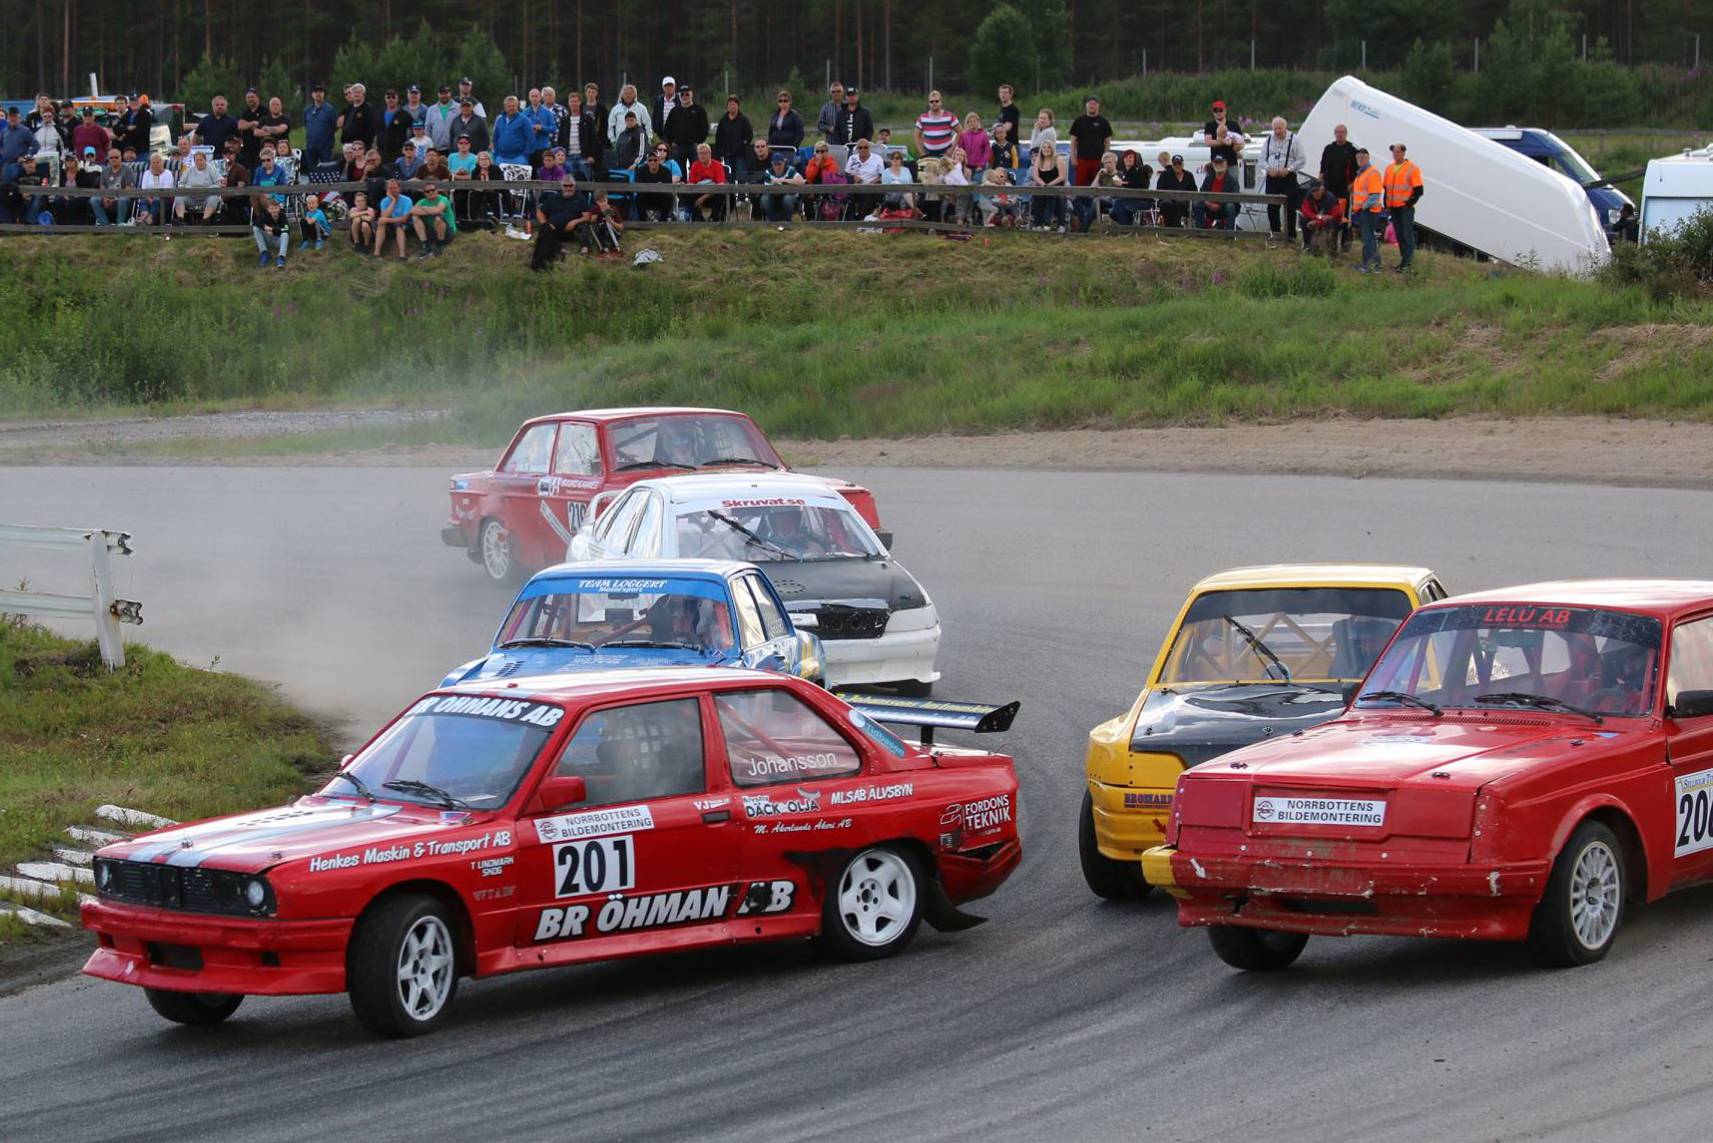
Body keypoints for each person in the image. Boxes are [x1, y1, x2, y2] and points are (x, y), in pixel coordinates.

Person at [531, 177, 595, 269]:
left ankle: (584, 251)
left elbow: (587, 216)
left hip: (572, 230)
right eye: (565, 185)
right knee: (545, 229)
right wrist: (545, 223)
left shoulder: (580, 199)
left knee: (586, 225)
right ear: (562, 187)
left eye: (570, 185)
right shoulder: (553, 198)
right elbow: (539, 211)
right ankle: (542, 262)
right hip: (555, 230)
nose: (568, 188)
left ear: (574, 186)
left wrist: (574, 221)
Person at [1259, 116, 1306, 240]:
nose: (1277, 131)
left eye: (1280, 128)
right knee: (1272, 206)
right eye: (1275, 129)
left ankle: (1291, 234)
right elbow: (1261, 159)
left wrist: (1289, 169)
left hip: (1288, 177)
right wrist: (1269, 169)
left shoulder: (1294, 140)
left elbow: (1301, 160)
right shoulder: (1268, 140)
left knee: (1291, 206)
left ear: (1285, 127)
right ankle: (1275, 232)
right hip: (1272, 177)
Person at [1383, 142, 1424, 271]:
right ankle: (1404, 261)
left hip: (1404, 208)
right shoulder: (1389, 168)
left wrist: (1409, 203)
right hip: (1393, 207)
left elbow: (1419, 190)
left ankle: (1408, 263)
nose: (1395, 154)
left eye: (1397, 152)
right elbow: (1386, 188)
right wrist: (1386, 204)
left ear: (1403, 152)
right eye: (1393, 152)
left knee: (1407, 235)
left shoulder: (1412, 168)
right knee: (1399, 235)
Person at [1318, 123, 1359, 252]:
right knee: (1329, 215)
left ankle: (1345, 244)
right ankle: (1330, 243)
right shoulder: (1329, 149)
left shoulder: (1352, 150)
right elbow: (1323, 168)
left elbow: (1358, 171)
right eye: (1337, 132)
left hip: (1344, 189)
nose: (1339, 134)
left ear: (1346, 134)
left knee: (1343, 217)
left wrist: (1353, 184)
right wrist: (1320, 184)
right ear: (1334, 134)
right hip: (1329, 188)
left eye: (1342, 132)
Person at [1349, 146, 1385, 273]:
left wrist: (1364, 207)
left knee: (1368, 238)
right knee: (1368, 238)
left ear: (1368, 158)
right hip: (1363, 211)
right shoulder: (1361, 173)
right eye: (1358, 157)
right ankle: (1371, 264)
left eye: (1363, 157)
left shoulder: (1372, 172)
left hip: (1369, 211)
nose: (1360, 159)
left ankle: (1371, 266)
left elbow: (1375, 194)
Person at [1067, 95, 1112, 187]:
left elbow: (1107, 141)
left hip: (1098, 161)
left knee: (1098, 186)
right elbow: (1073, 141)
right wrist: (1073, 157)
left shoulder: (1103, 122)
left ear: (1098, 106)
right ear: (1086, 106)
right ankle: (1079, 201)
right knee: (1080, 187)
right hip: (1082, 160)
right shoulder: (1079, 121)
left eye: (1094, 104)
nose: (1092, 106)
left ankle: (1096, 202)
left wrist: (1106, 158)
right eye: (1090, 104)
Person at [666, 86, 712, 170]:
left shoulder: (699, 110)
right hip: (678, 146)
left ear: (691, 95)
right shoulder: (674, 111)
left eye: (687, 94)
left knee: (696, 169)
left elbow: (705, 128)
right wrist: (671, 142)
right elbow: (668, 128)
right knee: (679, 171)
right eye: (682, 94)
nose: (684, 96)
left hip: (694, 146)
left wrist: (699, 142)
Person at [1028, 129, 1066, 229]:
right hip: (1042, 186)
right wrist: (1043, 184)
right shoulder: (1038, 160)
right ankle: (1037, 224)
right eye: (1044, 147)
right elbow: (1036, 176)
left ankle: (1047, 223)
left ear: (1053, 148)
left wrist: (1050, 185)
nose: (1046, 149)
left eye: (1049, 147)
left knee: (1051, 195)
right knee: (1037, 196)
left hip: (1056, 186)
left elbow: (1062, 176)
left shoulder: (1058, 159)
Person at [409, 180, 456, 257]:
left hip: (448, 232)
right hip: (432, 231)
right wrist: (432, 210)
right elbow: (412, 211)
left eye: (433, 190)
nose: (431, 192)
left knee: (438, 218)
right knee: (415, 218)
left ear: (437, 191)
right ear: (424, 194)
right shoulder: (422, 201)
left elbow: (438, 210)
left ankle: (441, 245)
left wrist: (423, 208)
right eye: (427, 191)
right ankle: (425, 245)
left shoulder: (443, 199)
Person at [172, 149, 219, 224]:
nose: (199, 162)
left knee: (214, 198)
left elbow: (218, 183)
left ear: (205, 160)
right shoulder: (189, 170)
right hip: (191, 197)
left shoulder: (211, 169)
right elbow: (180, 184)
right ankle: (180, 219)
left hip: (206, 197)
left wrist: (207, 189)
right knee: (178, 197)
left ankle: (205, 220)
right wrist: (188, 188)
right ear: (194, 161)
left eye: (201, 160)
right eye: (197, 160)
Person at [1193, 155, 1239, 230]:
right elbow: (1202, 192)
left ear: (1226, 164)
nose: (1218, 164)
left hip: (1224, 208)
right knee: (1197, 204)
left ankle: (1230, 234)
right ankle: (1201, 231)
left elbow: (1234, 197)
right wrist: (1208, 203)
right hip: (1209, 206)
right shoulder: (1209, 178)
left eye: (1221, 162)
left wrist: (1220, 205)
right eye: (1216, 162)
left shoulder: (1233, 180)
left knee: (1230, 207)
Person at [1299, 179, 1343, 254]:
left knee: (1331, 222)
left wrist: (1318, 222)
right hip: (1317, 218)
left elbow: (1335, 214)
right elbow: (1305, 209)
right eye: (1313, 191)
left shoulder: (1330, 198)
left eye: (1317, 190)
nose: (1315, 193)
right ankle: (1308, 245)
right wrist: (1315, 217)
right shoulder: (1309, 196)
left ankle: (1330, 250)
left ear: (1322, 188)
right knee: (1303, 220)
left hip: (1330, 220)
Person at [632, 148, 677, 221]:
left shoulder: (666, 171)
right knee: (638, 197)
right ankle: (643, 222)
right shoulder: (641, 170)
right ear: (647, 161)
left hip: (661, 197)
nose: (653, 162)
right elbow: (638, 187)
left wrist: (661, 187)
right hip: (646, 196)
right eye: (650, 160)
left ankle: (663, 221)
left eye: (655, 160)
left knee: (670, 197)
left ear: (659, 161)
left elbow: (669, 188)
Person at [374, 177, 414, 258]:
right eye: (390, 188)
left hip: (403, 223)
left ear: (399, 189)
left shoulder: (407, 200)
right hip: (390, 223)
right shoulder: (384, 201)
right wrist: (393, 201)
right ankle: (376, 252)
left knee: (399, 226)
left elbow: (404, 219)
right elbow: (383, 217)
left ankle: (402, 254)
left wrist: (387, 220)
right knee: (381, 224)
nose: (393, 190)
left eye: (395, 188)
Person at [1110, 150, 1152, 225]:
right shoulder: (1126, 173)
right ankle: (1130, 226)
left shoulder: (1138, 170)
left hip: (1142, 201)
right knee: (1113, 212)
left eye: (1130, 157)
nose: (1127, 159)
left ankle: (1126, 229)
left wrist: (1123, 184)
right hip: (1130, 200)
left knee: (1118, 204)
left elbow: (1139, 184)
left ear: (1135, 159)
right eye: (1125, 157)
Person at [93, 146, 133, 225]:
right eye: (111, 158)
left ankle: (119, 224)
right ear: (108, 159)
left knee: (123, 200)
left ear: (121, 158)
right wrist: (105, 198)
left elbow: (129, 189)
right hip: (107, 197)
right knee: (94, 199)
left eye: (116, 157)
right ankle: (105, 225)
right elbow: (102, 187)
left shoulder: (128, 170)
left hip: (122, 197)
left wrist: (115, 199)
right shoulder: (105, 171)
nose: (114, 159)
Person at [714, 95, 753, 176]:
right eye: (730, 104)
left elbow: (749, 135)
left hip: (740, 154)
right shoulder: (723, 120)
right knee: (729, 175)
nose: (732, 106)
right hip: (727, 154)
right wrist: (720, 151)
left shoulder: (744, 120)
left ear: (738, 106)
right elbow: (718, 137)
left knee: (741, 176)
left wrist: (743, 144)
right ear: (727, 107)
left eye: (734, 104)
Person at [914, 91, 958, 162]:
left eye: (937, 101)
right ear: (929, 103)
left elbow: (961, 132)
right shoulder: (922, 118)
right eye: (931, 101)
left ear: (941, 102)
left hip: (945, 155)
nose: (934, 103)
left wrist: (951, 149)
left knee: (946, 173)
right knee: (928, 173)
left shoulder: (950, 116)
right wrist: (922, 153)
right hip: (929, 154)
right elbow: (916, 136)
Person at [688, 142, 727, 221]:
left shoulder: (718, 165)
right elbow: (691, 184)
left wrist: (704, 197)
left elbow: (720, 186)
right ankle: (698, 218)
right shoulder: (694, 165)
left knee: (722, 194)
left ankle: (714, 217)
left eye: (704, 153)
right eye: (700, 153)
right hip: (698, 192)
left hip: (713, 194)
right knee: (687, 194)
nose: (702, 156)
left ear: (710, 154)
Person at [491, 96, 532, 168]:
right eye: (509, 106)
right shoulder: (500, 120)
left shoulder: (524, 119)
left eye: (513, 106)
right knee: (500, 179)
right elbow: (495, 138)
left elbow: (530, 138)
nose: (511, 108)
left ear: (517, 106)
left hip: (519, 158)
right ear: (505, 107)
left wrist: (525, 155)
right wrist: (496, 155)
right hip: (501, 158)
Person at [1203, 99, 1245, 169]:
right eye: (1216, 110)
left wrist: (1235, 143)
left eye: (1220, 110)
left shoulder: (1233, 124)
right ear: (1213, 112)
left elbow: (1241, 141)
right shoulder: (1209, 125)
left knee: (1233, 179)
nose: (1218, 112)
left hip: (1232, 163)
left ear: (1225, 111)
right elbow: (1208, 142)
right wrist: (1224, 142)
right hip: (1217, 163)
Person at [1156, 153, 1194, 228]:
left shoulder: (1189, 175)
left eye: (1179, 163)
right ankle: (1169, 227)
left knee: (1180, 203)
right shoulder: (1164, 175)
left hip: (1183, 201)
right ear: (1172, 164)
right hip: (1167, 200)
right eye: (1175, 164)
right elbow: (1159, 190)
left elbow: (1194, 190)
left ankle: (1176, 227)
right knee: (1167, 203)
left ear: (1182, 164)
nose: (1177, 166)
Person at [303, 83, 337, 166]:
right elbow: (306, 124)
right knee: (312, 171)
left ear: (324, 94)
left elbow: (335, 126)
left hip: (325, 148)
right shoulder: (307, 109)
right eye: (316, 92)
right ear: (312, 94)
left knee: (326, 170)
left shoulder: (330, 109)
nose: (318, 94)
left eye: (320, 92)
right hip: (311, 146)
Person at [136, 152, 174, 226]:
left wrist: (153, 199)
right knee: (143, 201)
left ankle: (146, 221)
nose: (156, 164)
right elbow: (144, 189)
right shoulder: (147, 173)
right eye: (154, 162)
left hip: (164, 199)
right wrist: (149, 198)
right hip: (148, 197)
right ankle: (145, 217)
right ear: (150, 164)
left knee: (156, 201)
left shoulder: (167, 173)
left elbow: (165, 190)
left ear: (162, 163)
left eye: (158, 162)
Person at [339, 84, 380, 151]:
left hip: (361, 147)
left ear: (363, 94)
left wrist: (364, 145)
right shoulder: (349, 109)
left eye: (358, 92)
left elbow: (371, 130)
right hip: (348, 145)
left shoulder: (368, 109)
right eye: (354, 92)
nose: (356, 94)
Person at [252, 196, 289, 267]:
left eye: (276, 208)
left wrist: (273, 230)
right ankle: (264, 252)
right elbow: (256, 223)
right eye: (271, 208)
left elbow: (286, 229)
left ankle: (281, 257)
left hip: (278, 241)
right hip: (268, 240)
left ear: (279, 209)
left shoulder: (282, 216)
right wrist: (265, 227)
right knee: (256, 228)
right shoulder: (266, 216)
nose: (274, 210)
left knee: (285, 234)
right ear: (268, 210)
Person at [0, 107, 34, 182]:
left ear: (18, 117)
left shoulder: (25, 131)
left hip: (18, 165)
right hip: (6, 165)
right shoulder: (4, 131)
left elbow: (36, 145)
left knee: (16, 189)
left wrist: (26, 156)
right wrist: (3, 153)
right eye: (11, 116)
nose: (13, 119)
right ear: (8, 117)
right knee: (4, 189)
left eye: (14, 116)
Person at [425, 84, 460, 155]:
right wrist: (430, 146)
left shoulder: (458, 108)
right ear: (438, 94)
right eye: (442, 93)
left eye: (446, 93)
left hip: (454, 148)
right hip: (436, 149)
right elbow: (428, 129)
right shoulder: (431, 109)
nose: (444, 96)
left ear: (450, 94)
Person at [524, 88, 554, 168]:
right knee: (530, 173)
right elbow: (520, 130)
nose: (534, 98)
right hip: (529, 148)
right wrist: (529, 131)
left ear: (540, 97)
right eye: (532, 96)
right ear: (529, 98)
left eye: (536, 96)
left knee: (542, 173)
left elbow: (553, 128)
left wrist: (542, 128)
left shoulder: (547, 112)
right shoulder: (524, 112)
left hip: (543, 147)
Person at [235, 88, 266, 166]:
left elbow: (262, 126)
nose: (250, 99)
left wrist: (247, 124)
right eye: (248, 97)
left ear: (257, 98)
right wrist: (253, 123)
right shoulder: (245, 112)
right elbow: (240, 125)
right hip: (247, 148)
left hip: (260, 147)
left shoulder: (264, 111)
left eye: (252, 97)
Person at [591, 190, 624, 255]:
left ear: (607, 199)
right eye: (600, 202)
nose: (603, 203)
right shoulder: (595, 209)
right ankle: (603, 249)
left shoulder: (613, 209)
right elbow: (592, 220)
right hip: (603, 233)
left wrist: (611, 221)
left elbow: (621, 228)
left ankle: (617, 249)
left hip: (615, 232)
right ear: (596, 202)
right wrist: (598, 214)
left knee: (607, 223)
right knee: (593, 226)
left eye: (604, 201)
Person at [653, 77, 679, 143]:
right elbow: (654, 117)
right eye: (666, 86)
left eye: (670, 86)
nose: (668, 88)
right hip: (662, 135)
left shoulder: (680, 100)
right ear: (663, 87)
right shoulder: (659, 100)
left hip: (677, 135)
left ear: (674, 86)